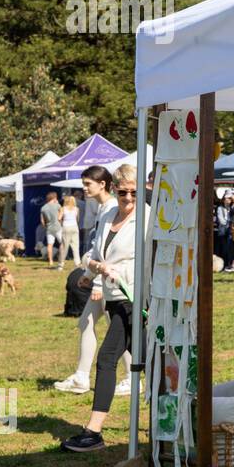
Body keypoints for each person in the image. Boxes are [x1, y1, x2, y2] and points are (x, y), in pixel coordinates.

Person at [62, 165, 142, 452]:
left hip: (137, 300)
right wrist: (95, 270)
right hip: (114, 297)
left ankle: (94, 431)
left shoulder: (145, 219)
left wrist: (116, 274)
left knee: (109, 358)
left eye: (134, 191)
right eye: (123, 192)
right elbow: (96, 255)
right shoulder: (108, 214)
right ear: (115, 189)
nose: (129, 197)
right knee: (121, 360)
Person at [56, 166, 127, 395]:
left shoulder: (113, 207)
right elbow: (98, 248)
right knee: (86, 322)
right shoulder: (104, 207)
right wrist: (88, 275)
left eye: (88, 184)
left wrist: (96, 283)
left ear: (103, 184)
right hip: (101, 278)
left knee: (119, 330)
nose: (84, 188)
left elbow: (110, 252)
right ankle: (82, 376)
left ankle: (130, 378)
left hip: (112, 281)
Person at [214, 193, 234, 272]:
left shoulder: (231, 208)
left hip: (230, 231)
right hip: (223, 231)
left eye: (229, 199)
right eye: (227, 198)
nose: (228, 200)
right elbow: (221, 220)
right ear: (223, 199)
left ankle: (229, 264)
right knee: (224, 249)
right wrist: (229, 223)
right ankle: (224, 265)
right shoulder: (220, 208)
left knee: (230, 248)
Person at [58, 194, 81, 270]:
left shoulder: (63, 208)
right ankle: (77, 263)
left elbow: (59, 218)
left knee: (64, 247)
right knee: (75, 246)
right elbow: (77, 219)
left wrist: (61, 222)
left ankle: (61, 264)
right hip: (74, 227)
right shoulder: (76, 209)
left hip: (66, 227)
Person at [40, 191, 62, 268]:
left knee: (49, 245)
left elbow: (42, 221)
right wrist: (59, 219)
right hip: (58, 227)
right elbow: (61, 213)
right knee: (62, 243)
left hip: (49, 228)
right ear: (54, 198)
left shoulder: (43, 208)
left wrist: (45, 227)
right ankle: (61, 258)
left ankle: (50, 261)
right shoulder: (57, 205)